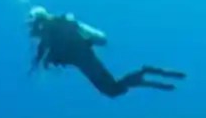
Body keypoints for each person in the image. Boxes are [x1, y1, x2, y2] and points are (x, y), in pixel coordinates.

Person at [27, 6, 185, 98]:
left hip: (86, 60)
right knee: (113, 89)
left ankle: (146, 72)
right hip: (85, 59)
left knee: (112, 90)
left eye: (34, 24)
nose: (32, 29)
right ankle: (145, 77)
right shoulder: (54, 31)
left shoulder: (54, 31)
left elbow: (46, 57)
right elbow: (44, 59)